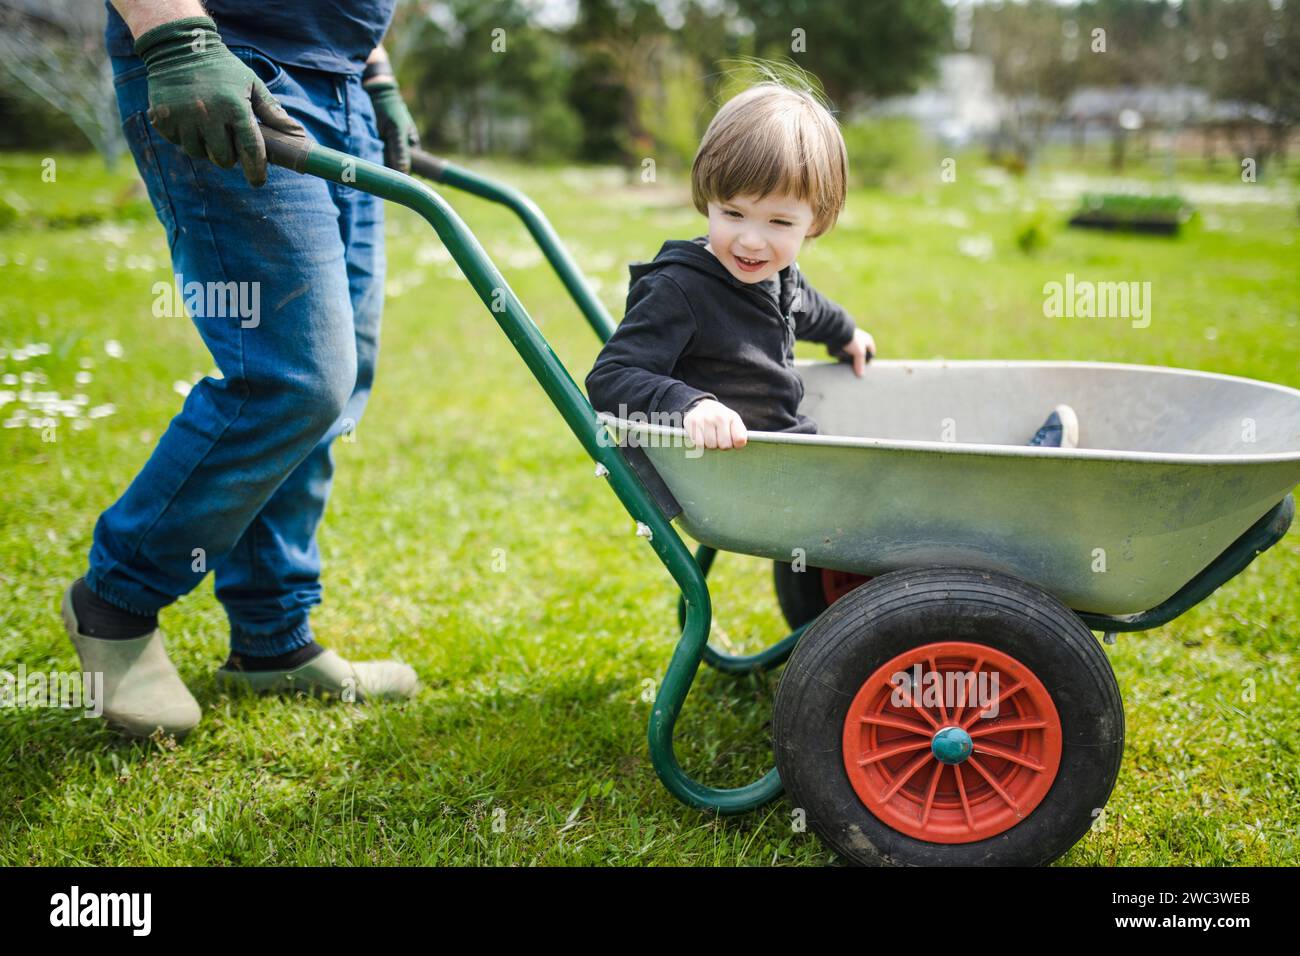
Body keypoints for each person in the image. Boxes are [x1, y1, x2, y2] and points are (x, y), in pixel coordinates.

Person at [64, 0, 424, 740]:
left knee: (338, 382)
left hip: (342, 84)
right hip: (226, 67)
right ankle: (117, 599)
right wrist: (175, 37)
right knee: (295, 376)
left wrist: (377, 71)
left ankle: (272, 637)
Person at [585, 81, 1079, 452]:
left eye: (779, 221)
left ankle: (1011, 465)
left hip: (790, 448)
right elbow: (612, 376)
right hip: (748, 462)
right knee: (903, 482)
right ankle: (1021, 476)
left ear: (814, 223)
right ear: (706, 199)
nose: (751, 239)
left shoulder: (776, 277)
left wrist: (846, 333)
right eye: (732, 213)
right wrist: (690, 404)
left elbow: (809, 308)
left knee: (896, 452)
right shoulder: (681, 290)